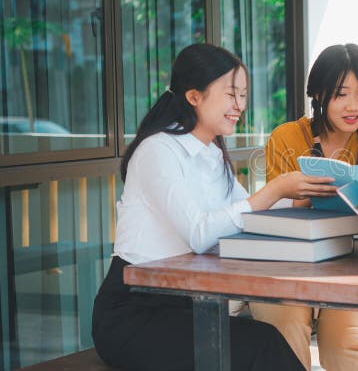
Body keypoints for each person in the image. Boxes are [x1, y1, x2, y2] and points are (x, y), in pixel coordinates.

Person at [91, 43, 335, 370]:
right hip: (136, 314)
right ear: (194, 96)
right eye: (231, 94)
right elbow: (200, 234)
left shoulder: (212, 154)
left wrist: (303, 196)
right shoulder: (158, 151)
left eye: (244, 95)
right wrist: (275, 188)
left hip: (191, 306)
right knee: (262, 345)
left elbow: (251, 218)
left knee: (264, 342)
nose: (239, 106)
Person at [248, 43, 358, 371]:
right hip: (292, 264)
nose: (354, 106)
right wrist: (302, 194)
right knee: (284, 330)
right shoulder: (286, 137)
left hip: (354, 262)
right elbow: (275, 215)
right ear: (318, 94)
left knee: (342, 345)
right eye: (341, 94)